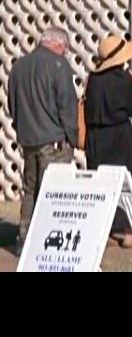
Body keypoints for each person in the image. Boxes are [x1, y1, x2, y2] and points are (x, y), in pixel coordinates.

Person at [8, 27, 78, 244]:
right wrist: (73, 137)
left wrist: (21, 129)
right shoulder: (59, 65)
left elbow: (13, 104)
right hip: (55, 139)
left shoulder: (18, 66)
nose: (65, 53)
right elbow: (67, 106)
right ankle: (50, 237)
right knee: (55, 191)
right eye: (65, 48)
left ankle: (25, 237)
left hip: (28, 138)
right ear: (58, 44)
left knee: (30, 189)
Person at [83, 34, 132, 248]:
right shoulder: (122, 79)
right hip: (119, 135)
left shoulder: (93, 79)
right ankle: (131, 229)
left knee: (101, 183)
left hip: (96, 137)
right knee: (131, 182)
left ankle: (106, 229)